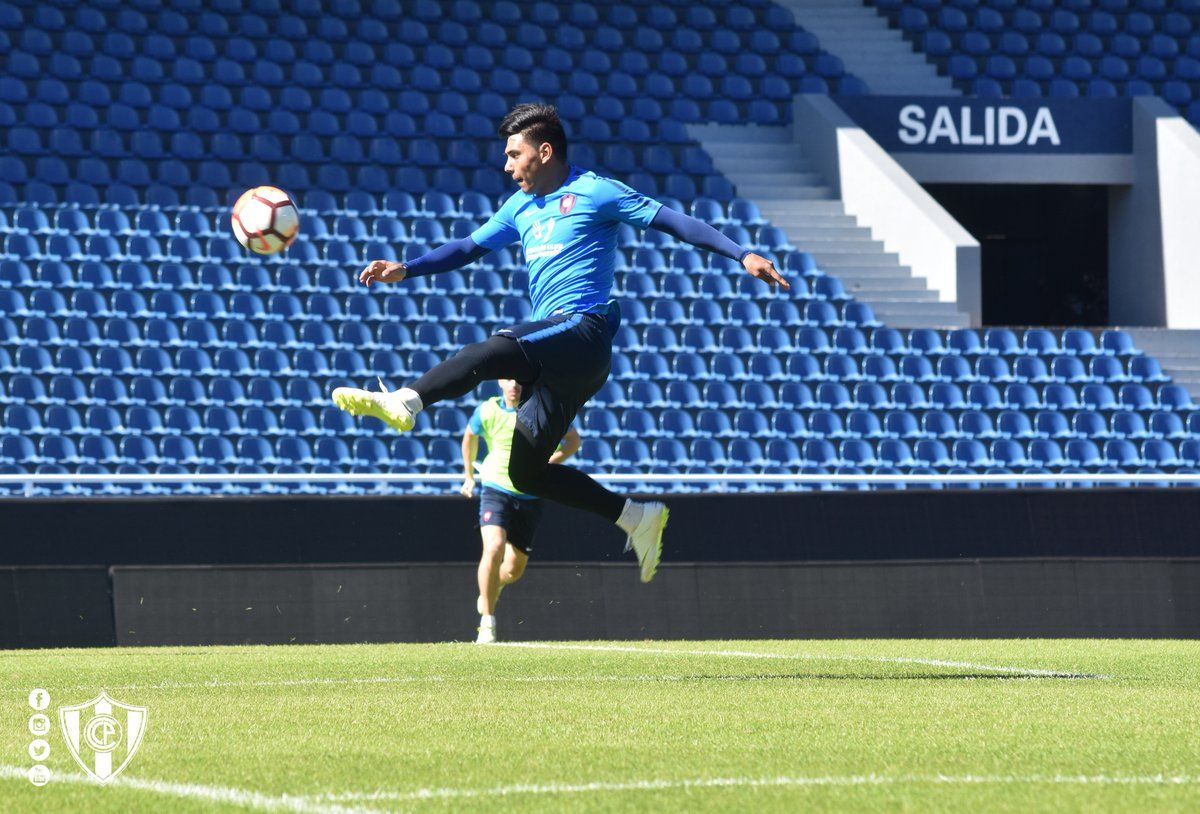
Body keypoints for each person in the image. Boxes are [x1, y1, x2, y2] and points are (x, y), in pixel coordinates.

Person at [332, 103, 788, 582]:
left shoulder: (595, 191)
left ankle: (406, 401)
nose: (507, 166)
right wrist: (407, 268)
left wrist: (742, 254)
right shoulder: (520, 207)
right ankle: (636, 516)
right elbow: (467, 247)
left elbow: (673, 221)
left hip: (582, 330)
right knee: (526, 474)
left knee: (493, 350)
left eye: (514, 154)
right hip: (560, 356)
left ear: (544, 152)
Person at [462, 378, 581, 643]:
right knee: (493, 547)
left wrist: (551, 460)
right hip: (495, 489)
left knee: (514, 570)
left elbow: (572, 441)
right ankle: (487, 624)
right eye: (508, 378)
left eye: (520, 379)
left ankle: (494, 586)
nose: (514, 384)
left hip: (530, 494)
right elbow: (469, 437)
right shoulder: (487, 410)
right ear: (500, 382)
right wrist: (469, 476)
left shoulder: (541, 409)